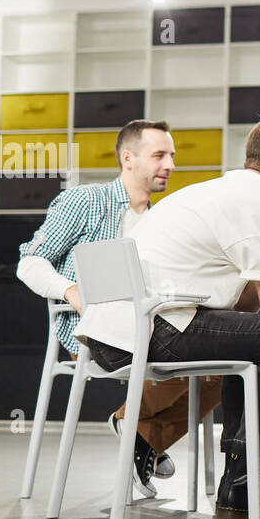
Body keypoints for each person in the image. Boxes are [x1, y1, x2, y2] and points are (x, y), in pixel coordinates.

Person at [73, 112, 260, 519]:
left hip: (118, 333)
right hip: (151, 328)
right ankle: (246, 481)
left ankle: (240, 480)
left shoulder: (229, 192)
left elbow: (247, 309)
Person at [16, 119, 221, 498]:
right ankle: (137, 432)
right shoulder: (85, 202)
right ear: (128, 158)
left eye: (172, 156)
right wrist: (71, 290)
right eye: (159, 155)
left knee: (216, 371)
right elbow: (29, 262)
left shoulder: (165, 219)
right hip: (98, 330)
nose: (170, 164)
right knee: (192, 351)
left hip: (152, 327)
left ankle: (140, 439)